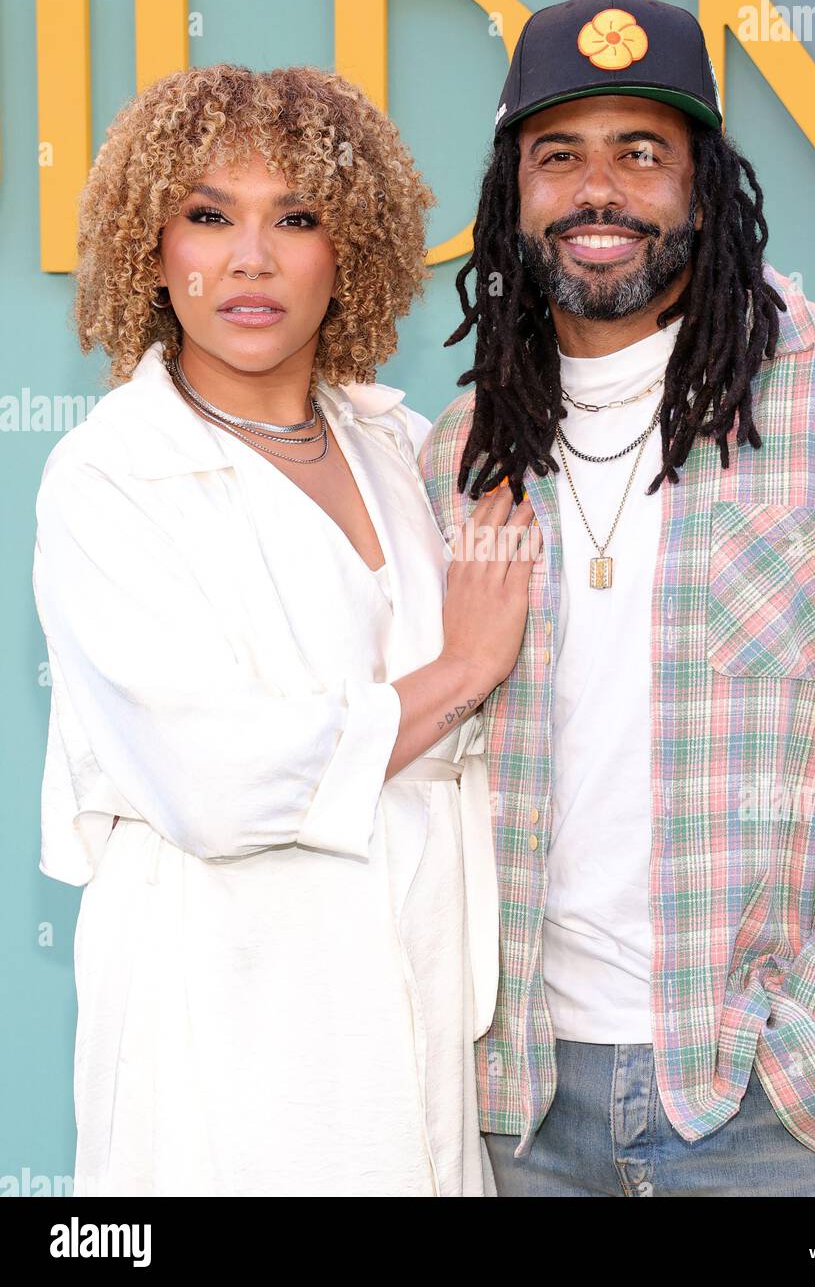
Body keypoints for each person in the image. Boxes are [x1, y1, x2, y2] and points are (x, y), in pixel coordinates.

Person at [419, 0, 815, 1196]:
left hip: (775, 1110)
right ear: (509, 191)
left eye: (643, 152)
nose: (599, 192)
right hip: (517, 1098)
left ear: (704, 183)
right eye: (557, 155)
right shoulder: (468, 443)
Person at [32, 64, 541, 1197]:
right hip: (225, 1031)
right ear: (150, 246)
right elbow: (216, 781)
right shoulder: (111, 474)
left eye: (296, 218)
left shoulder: (405, 448)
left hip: (420, 1029)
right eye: (208, 215)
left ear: (348, 249)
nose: (251, 258)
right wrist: (461, 670)